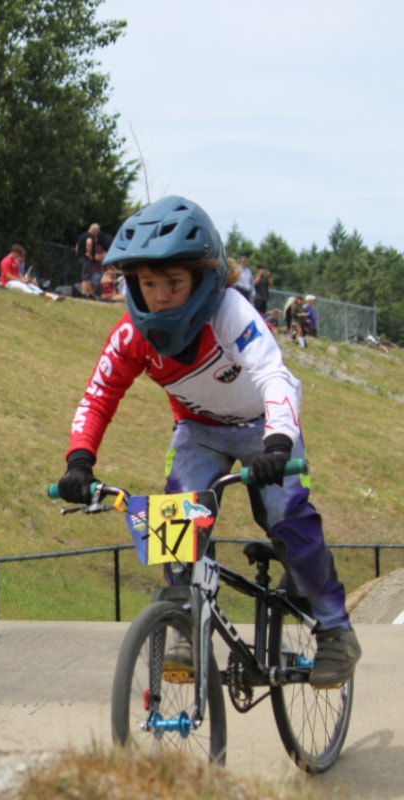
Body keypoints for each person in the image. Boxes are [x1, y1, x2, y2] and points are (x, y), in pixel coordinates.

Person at [55, 195, 360, 689]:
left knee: (285, 516)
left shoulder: (230, 313)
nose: (160, 297)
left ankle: (335, 629)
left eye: (174, 282)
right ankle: (182, 623)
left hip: (263, 425)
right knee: (177, 511)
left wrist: (278, 444)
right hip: (197, 430)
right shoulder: (131, 334)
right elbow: (99, 394)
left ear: (203, 278)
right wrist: (79, 461)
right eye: (148, 284)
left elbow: (274, 376)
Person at [75, 223, 103, 298]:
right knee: (86, 278)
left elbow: (77, 247)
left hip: (80, 259)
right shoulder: (90, 236)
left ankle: (89, 294)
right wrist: (89, 253)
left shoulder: (82, 236)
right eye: (97, 232)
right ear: (95, 231)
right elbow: (89, 242)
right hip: (86, 260)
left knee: (85, 277)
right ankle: (84, 294)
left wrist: (78, 254)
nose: (97, 234)